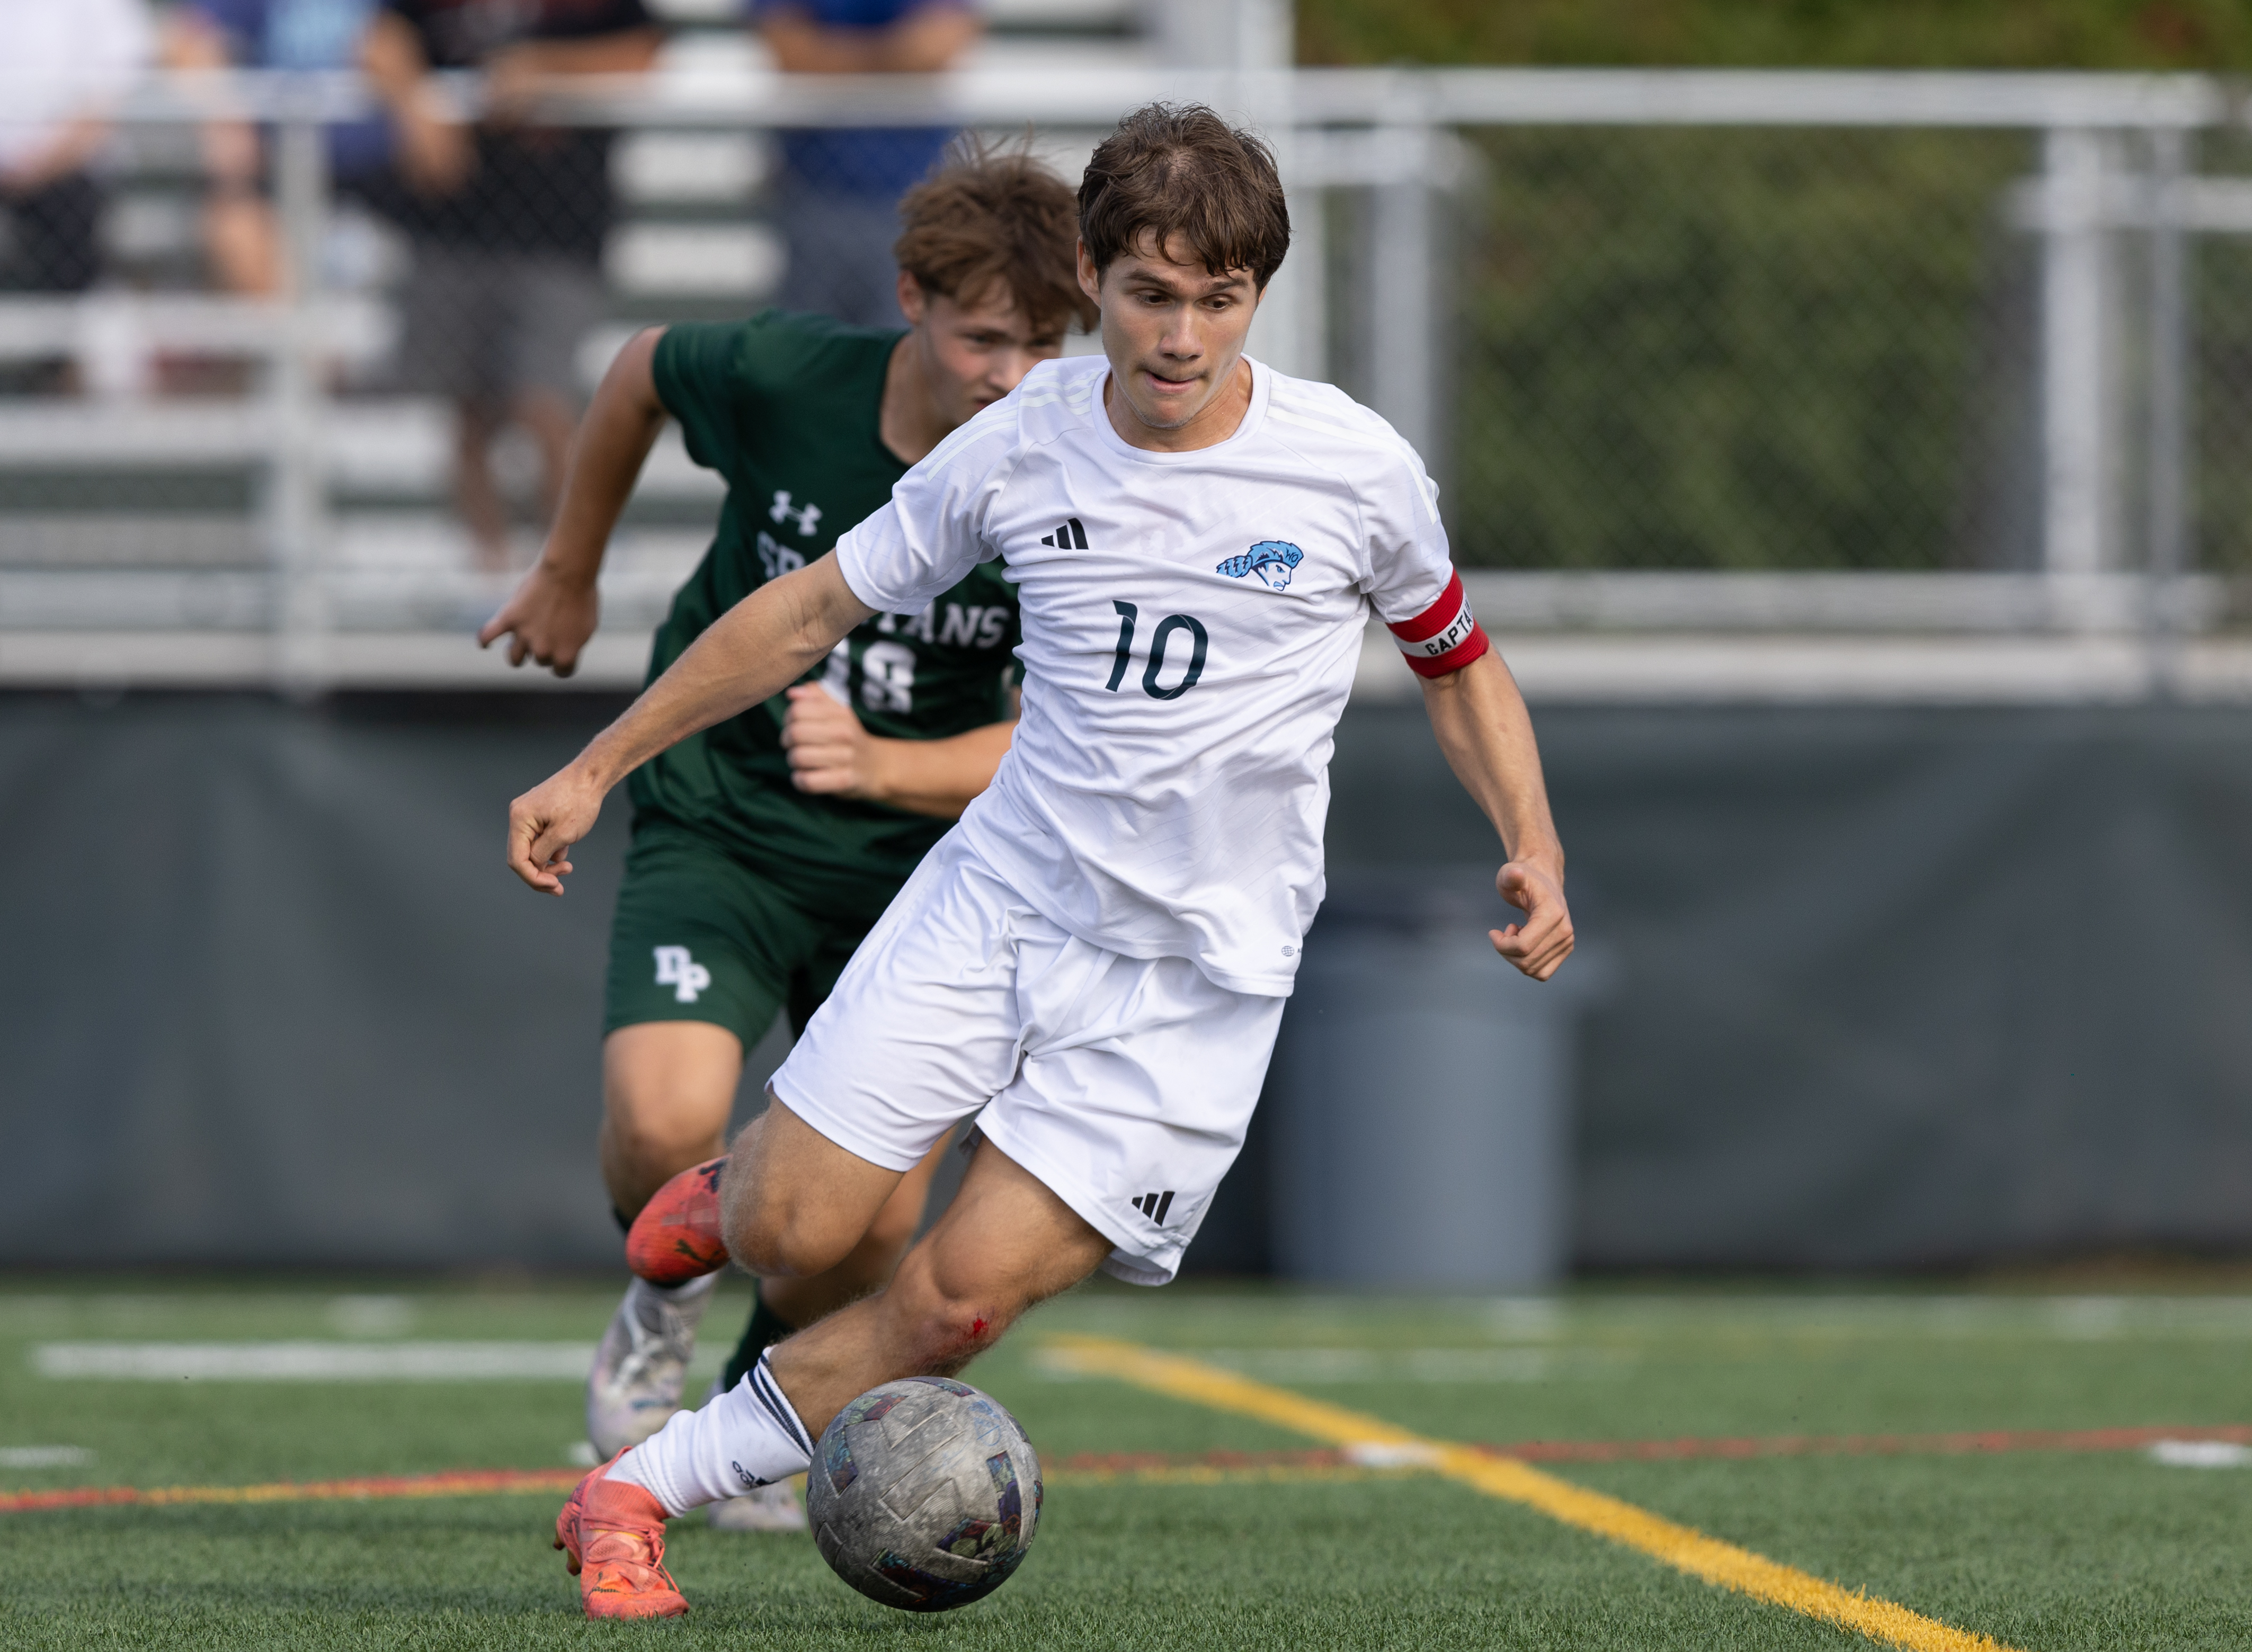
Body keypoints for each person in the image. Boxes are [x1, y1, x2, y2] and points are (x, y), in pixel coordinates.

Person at [507, 102, 1573, 1619]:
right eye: (1149, 292)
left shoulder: (1353, 468)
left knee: (950, 1302)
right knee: (794, 1228)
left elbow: (1456, 662)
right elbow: (809, 610)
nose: (1182, 335)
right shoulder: (1021, 437)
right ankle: (728, 1192)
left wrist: (1528, 845)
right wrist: (594, 762)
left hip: (1194, 983)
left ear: (1256, 293)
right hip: (997, 907)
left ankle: (635, 1485)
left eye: (1219, 298)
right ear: (1093, 275)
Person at [478, 142, 1091, 1529]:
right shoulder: (786, 374)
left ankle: (751, 1412)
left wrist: (892, 764)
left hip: (923, 873)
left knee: (866, 1223)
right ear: (910, 299)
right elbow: (639, 366)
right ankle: (659, 1297)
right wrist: (568, 566)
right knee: (663, 1116)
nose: (1008, 370)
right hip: (727, 821)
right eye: (981, 334)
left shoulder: (1078, 473)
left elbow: (1073, 731)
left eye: (1040, 342)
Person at [361, 0, 663, 568]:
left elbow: (643, 55)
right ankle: (489, 569)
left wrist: (544, 69)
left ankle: (571, 568)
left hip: (559, 232)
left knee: (541, 401)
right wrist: (414, 106)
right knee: (468, 411)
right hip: (453, 223)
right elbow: (381, 38)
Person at [756, 0, 980, 327]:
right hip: (814, 193)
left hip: (918, 196)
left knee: (904, 344)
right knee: (810, 349)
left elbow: (934, 47)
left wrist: (833, 58)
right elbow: (794, 54)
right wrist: (894, 58)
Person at [164, 0, 389, 298]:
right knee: (237, 231)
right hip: (274, 174)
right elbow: (188, 40)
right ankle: (296, 342)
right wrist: (225, 119)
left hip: (383, 178)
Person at [0, 0, 149, 390]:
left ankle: (51, 370)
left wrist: (38, 166)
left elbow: (108, 99)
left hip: (67, 177)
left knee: (73, 222)